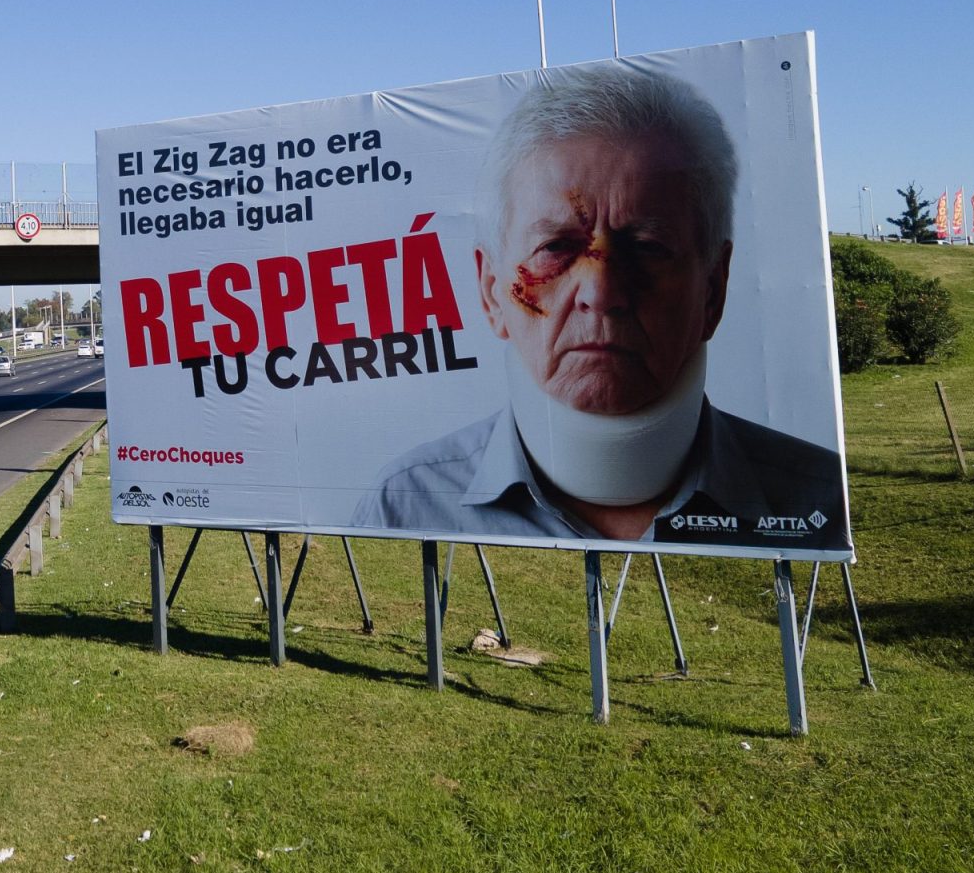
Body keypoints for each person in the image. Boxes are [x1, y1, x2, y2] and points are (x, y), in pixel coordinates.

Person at [356, 64, 846, 549]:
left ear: (713, 289)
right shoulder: (404, 503)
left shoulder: (817, 501)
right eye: (555, 248)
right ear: (491, 292)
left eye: (649, 245)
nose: (601, 291)